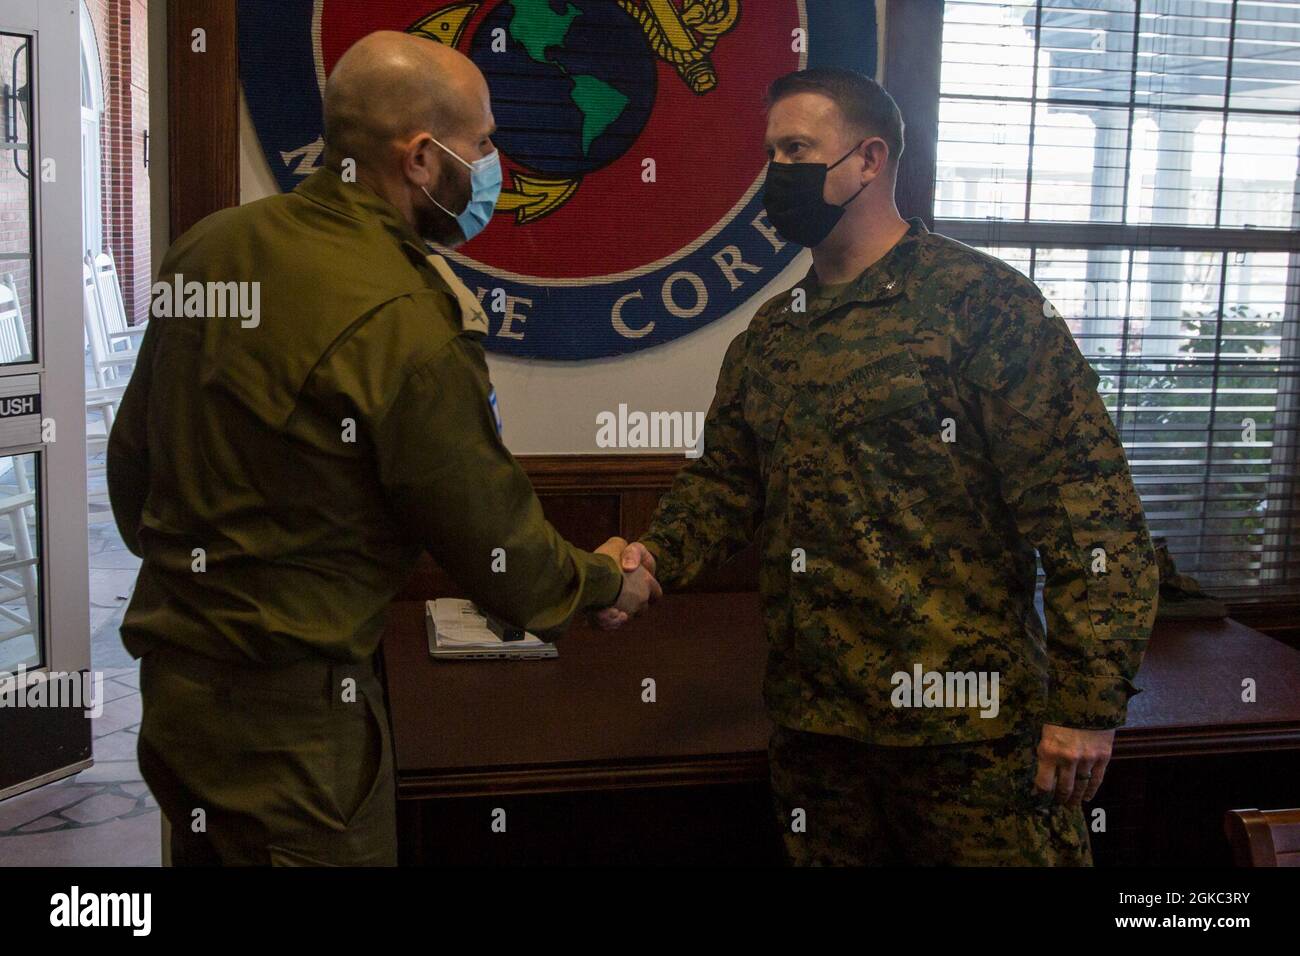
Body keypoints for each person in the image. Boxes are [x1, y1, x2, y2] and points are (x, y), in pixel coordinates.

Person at [107, 31, 659, 866]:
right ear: (421, 160)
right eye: (482, 143)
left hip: (177, 699)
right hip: (297, 733)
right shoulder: (404, 318)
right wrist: (610, 579)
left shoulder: (212, 246)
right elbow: (500, 556)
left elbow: (131, 472)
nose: (494, 165)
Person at [606, 68, 1158, 866]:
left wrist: (1088, 706)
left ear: (869, 161)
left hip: (971, 740)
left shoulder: (986, 307)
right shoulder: (773, 334)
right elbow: (725, 483)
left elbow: (1091, 516)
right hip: (819, 736)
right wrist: (650, 557)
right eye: (770, 154)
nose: (777, 174)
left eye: (797, 149)